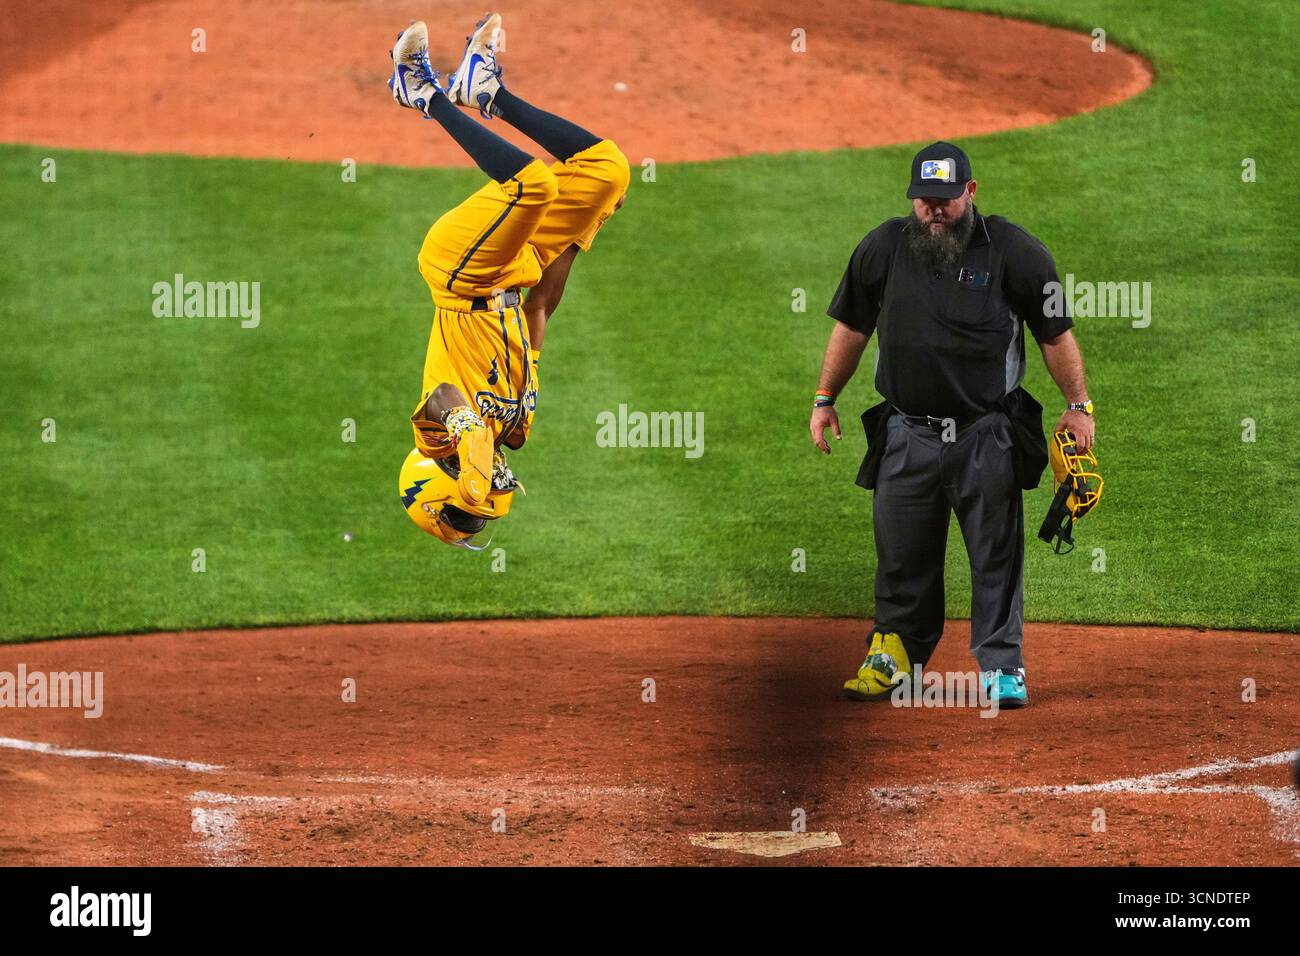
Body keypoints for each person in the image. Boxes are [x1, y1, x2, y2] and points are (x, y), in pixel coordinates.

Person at [810, 141, 1095, 708]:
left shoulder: (1014, 252)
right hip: (906, 433)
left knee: (995, 555)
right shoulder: (883, 247)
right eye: (923, 200)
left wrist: (1078, 405)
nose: (933, 210)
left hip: (984, 433)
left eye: (944, 199)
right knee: (900, 554)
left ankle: (1002, 667)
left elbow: (1054, 333)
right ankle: (893, 655)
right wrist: (824, 398)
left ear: (970, 191)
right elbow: (851, 326)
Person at [388, 15, 630, 548]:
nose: (493, 492)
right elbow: (539, 308)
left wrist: (469, 447)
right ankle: (487, 90)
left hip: (458, 274)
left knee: (531, 185)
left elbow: (445, 403)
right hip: (519, 272)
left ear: (439, 484)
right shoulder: (516, 425)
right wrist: (577, 232)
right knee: (606, 171)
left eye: (471, 509)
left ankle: (420, 92)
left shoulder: (434, 437)